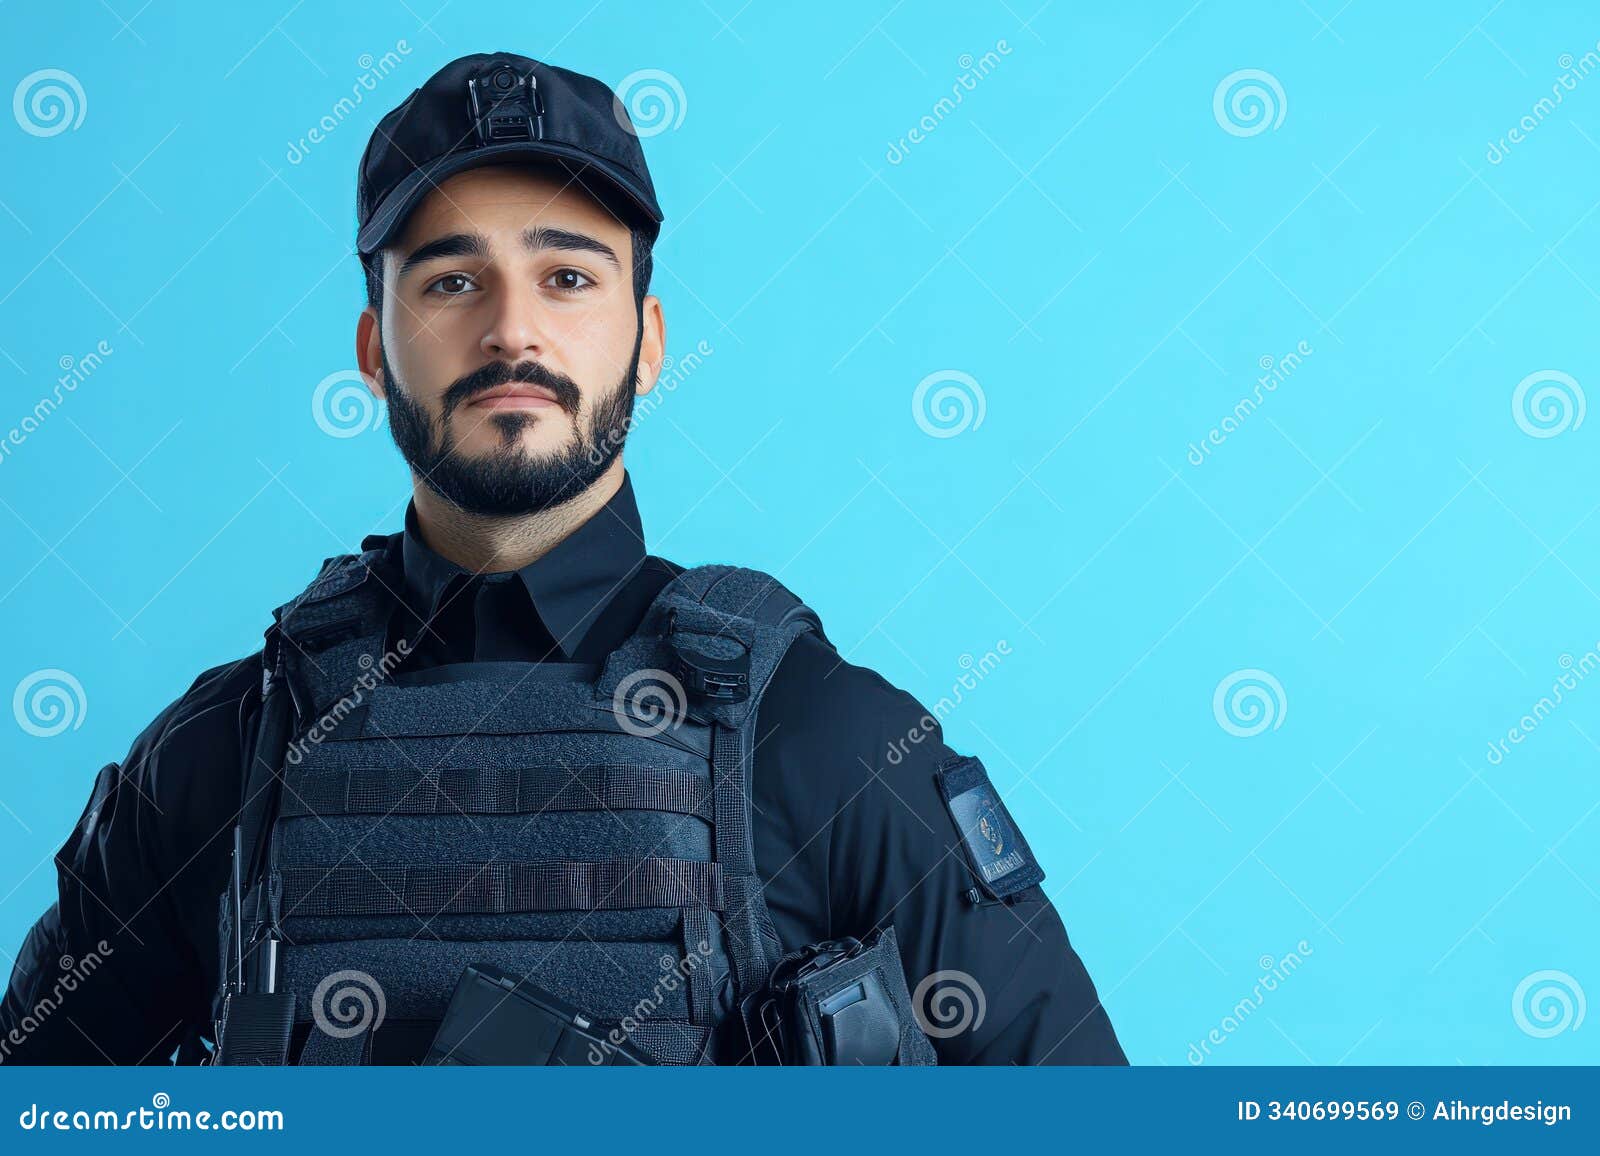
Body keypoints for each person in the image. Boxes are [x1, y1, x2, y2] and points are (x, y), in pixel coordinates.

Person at [0, 52, 1125, 1066]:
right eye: (450, 281)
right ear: (370, 349)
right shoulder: (222, 762)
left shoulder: (827, 743)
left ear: (649, 343)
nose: (511, 333)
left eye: (569, 278)